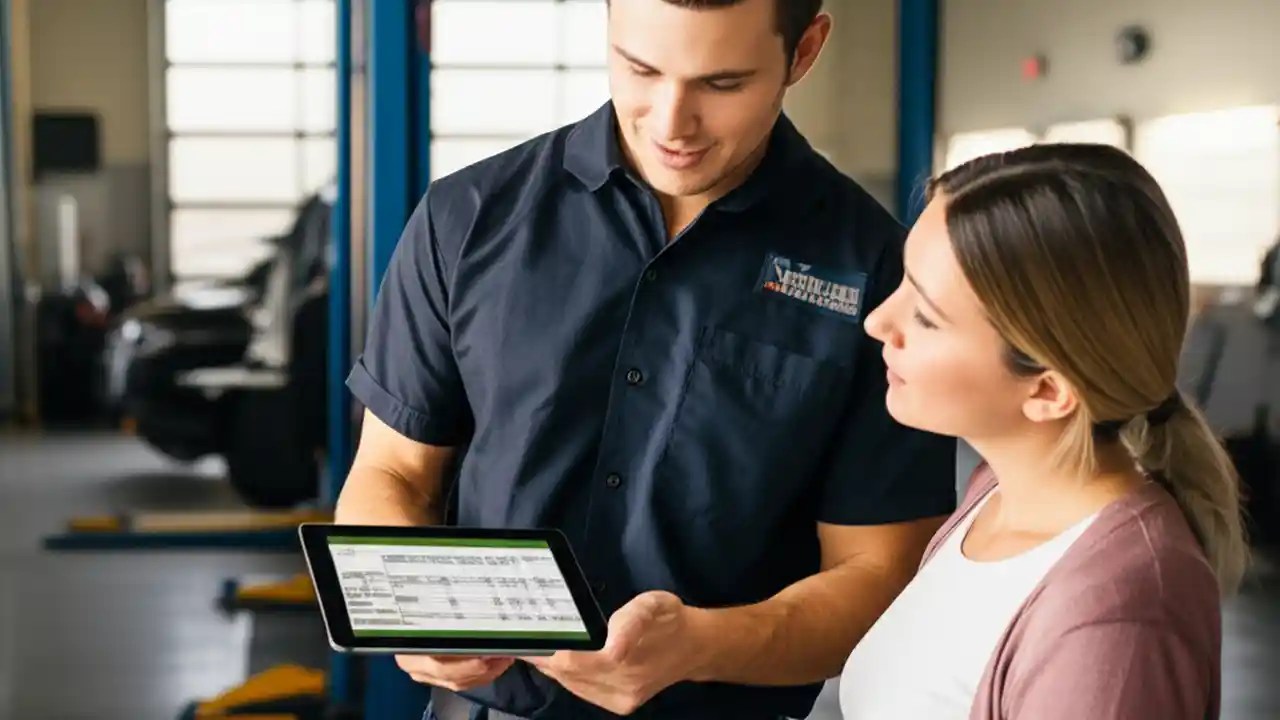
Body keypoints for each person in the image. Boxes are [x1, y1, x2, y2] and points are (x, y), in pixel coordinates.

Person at [336, 0, 957, 718]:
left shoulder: (874, 271)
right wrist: (412, 607)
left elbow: (878, 571)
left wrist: (705, 643)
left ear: (806, 49)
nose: (670, 123)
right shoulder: (467, 217)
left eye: (721, 84)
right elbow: (391, 471)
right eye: (640, 69)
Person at [839, 143, 1249, 719]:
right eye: (905, 282)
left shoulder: (1115, 618)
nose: (879, 320)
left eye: (926, 316)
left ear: (1048, 391)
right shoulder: (994, 497)